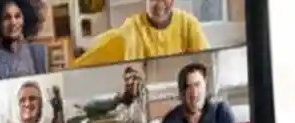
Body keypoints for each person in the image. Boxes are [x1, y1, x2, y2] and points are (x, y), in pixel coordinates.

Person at [73, 0, 209, 67]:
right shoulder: (132, 28)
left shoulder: (189, 24)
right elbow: (104, 45)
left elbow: (206, 61)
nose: (161, 4)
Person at [68, 65, 148, 123]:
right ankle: (84, 113)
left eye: (132, 78)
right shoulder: (122, 99)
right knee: (104, 107)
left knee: (107, 109)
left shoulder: (139, 90)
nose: (129, 82)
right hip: (124, 108)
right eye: (127, 79)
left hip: (128, 112)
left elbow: (131, 101)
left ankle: (84, 112)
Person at [156, 62, 235, 123]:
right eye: (188, 87)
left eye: (197, 85)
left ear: (205, 85)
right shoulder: (170, 121)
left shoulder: (221, 112)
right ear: (182, 92)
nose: (194, 93)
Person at [0, 0, 50, 81]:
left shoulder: (39, 53)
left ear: (25, 19)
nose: (13, 22)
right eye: (7, 18)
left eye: (17, 16)